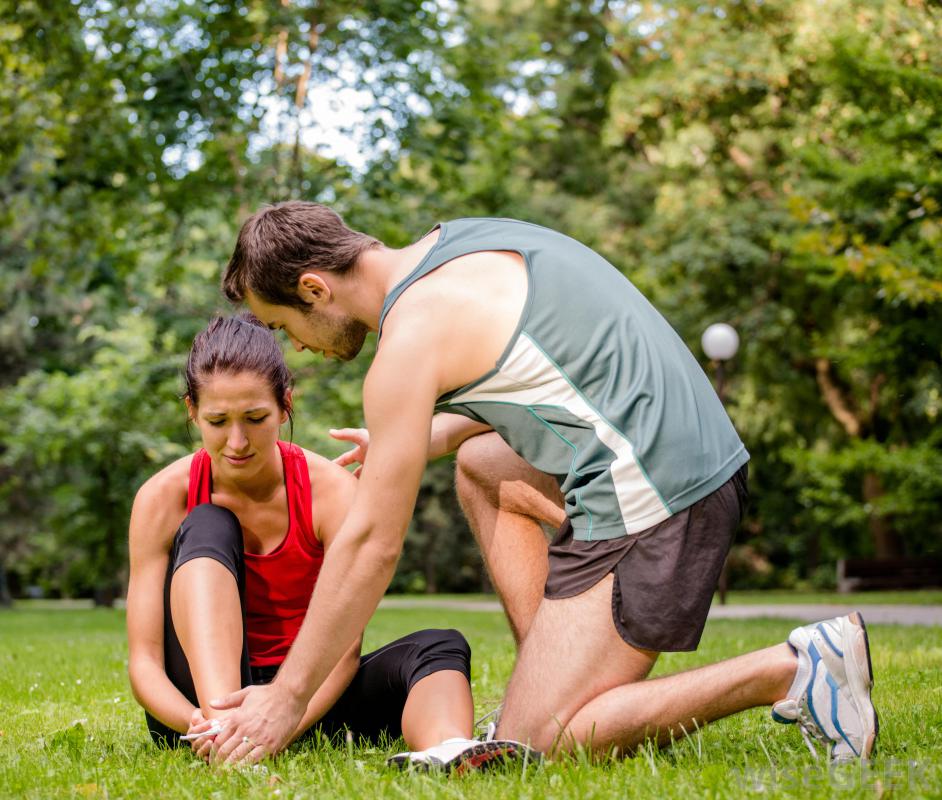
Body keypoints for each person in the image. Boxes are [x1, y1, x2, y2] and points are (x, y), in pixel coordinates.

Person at [208, 202, 878, 765]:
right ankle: (555, 678)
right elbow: (562, 363)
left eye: (281, 325)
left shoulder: (409, 339)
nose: (295, 345)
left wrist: (286, 699)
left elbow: (371, 546)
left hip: (662, 495)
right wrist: (437, 434)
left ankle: (795, 668)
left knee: (538, 744)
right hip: (691, 460)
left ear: (314, 289)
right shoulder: (463, 242)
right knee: (482, 465)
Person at [125, 314, 530, 770]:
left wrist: (278, 724)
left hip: (304, 695)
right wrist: (203, 725)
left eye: (255, 418)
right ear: (192, 411)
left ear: (285, 405)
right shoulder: (163, 497)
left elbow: (343, 652)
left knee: (440, 645)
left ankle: (447, 750)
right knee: (208, 523)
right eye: (218, 421)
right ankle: (226, 733)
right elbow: (145, 663)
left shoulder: (332, 493)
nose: (236, 441)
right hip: (198, 706)